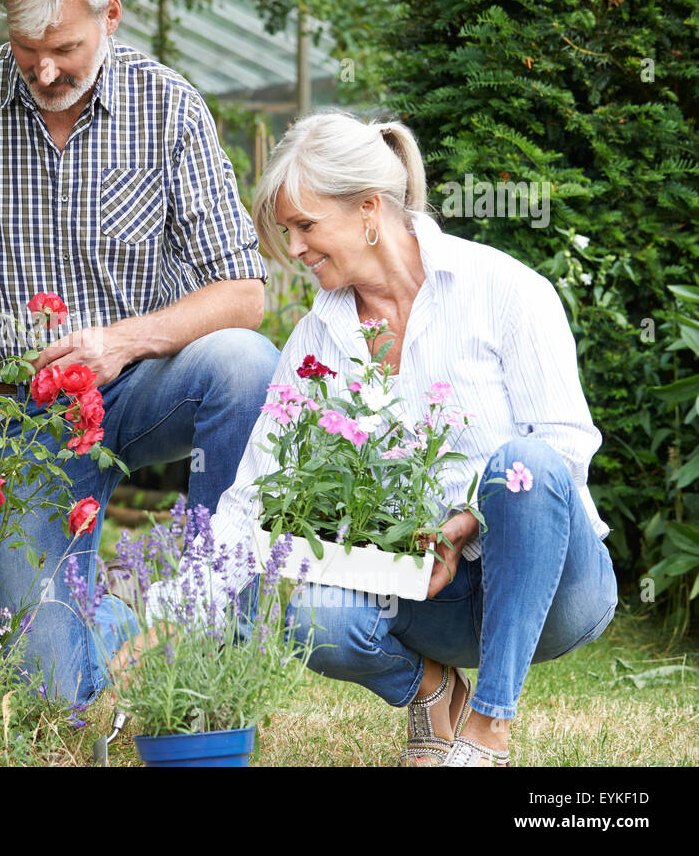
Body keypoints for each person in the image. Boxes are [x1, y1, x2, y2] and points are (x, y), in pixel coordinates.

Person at [121, 110, 618, 766]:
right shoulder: (318, 338)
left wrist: (466, 521)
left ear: (368, 210)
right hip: (425, 595)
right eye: (286, 231)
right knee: (296, 600)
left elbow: (566, 447)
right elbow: (250, 498)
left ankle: (489, 730)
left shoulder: (504, 290)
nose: (293, 248)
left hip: (552, 591)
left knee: (525, 464)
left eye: (304, 225)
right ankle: (437, 695)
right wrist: (160, 619)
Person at [0, 0, 280, 704]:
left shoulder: (169, 107)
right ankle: (120, 625)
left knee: (245, 366)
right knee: (51, 690)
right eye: (28, 51)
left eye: (65, 48)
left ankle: (222, 642)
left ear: (111, 17)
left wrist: (123, 342)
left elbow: (245, 292)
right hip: (31, 417)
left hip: (149, 382)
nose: (46, 70)